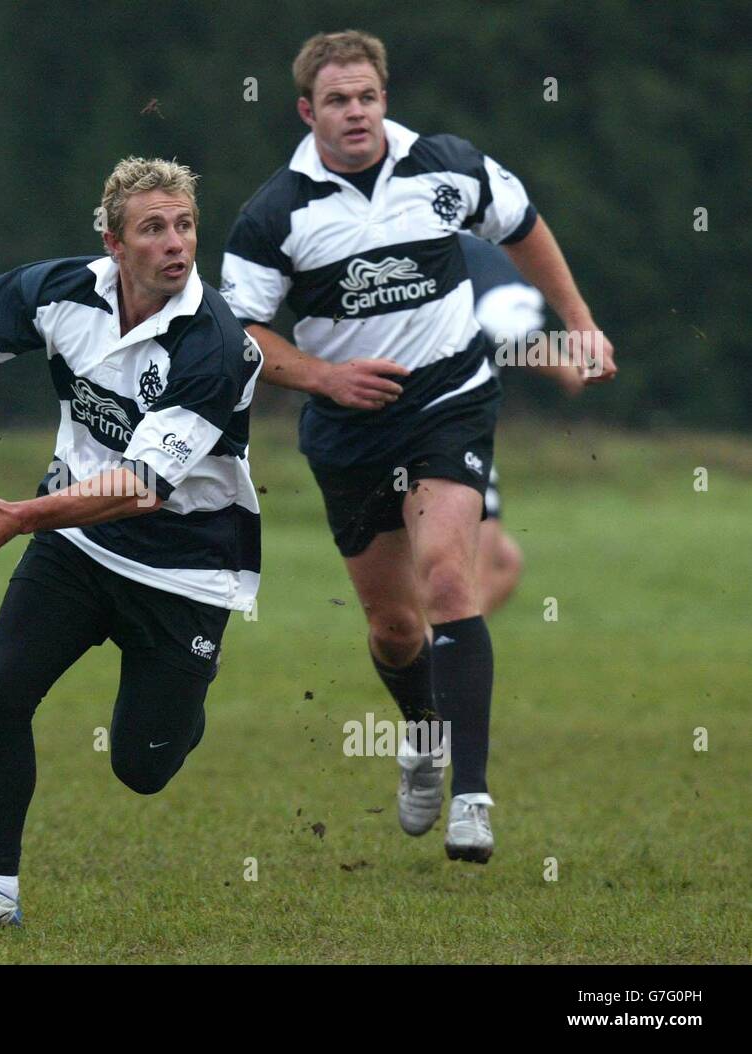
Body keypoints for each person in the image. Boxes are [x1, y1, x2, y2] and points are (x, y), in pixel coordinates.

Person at [220, 30, 616, 862]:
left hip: (449, 402)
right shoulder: (273, 214)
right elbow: (243, 333)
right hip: (348, 429)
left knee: (450, 575)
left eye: (367, 96)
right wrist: (326, 378)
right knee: (395, 629)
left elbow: (524, 226)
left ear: (384, 99)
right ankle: (423, 735)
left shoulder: (447, 165)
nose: (355, 112)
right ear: (307, 111)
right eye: (337, 100)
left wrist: (578, 324)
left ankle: (471, 795)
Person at [0, 157, 262, 926]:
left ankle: (183, 709)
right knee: (3, 690)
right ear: (113, 242)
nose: (174, 244)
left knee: (142, 767)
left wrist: (21, 516)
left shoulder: (215, 342)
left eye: (185, 225)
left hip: (185, 568)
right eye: (152, 228)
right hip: (77, 549)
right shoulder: (61, 290)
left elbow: (139, 487)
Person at [460, 232, 585, 615]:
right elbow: (511, 330)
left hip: (374, 434)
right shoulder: (477, 252)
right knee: (466, 589)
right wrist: (568, 369)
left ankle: (430, 661)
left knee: (503, 562)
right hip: (453, 438)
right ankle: (440, 667)